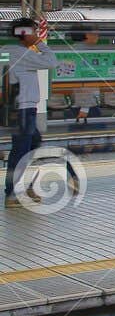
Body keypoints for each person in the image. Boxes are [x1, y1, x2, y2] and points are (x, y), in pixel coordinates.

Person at [5, 18, 68, 208]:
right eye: (33, 31)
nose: (36, 34)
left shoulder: (15, 52)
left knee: (33, 144)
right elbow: (51, 61)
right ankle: (12, 194)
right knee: (20, 152)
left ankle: (24, 187)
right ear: (25, 33)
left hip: (24, 109)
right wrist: (38, 43)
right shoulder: (20, 54)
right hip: (22, 110)